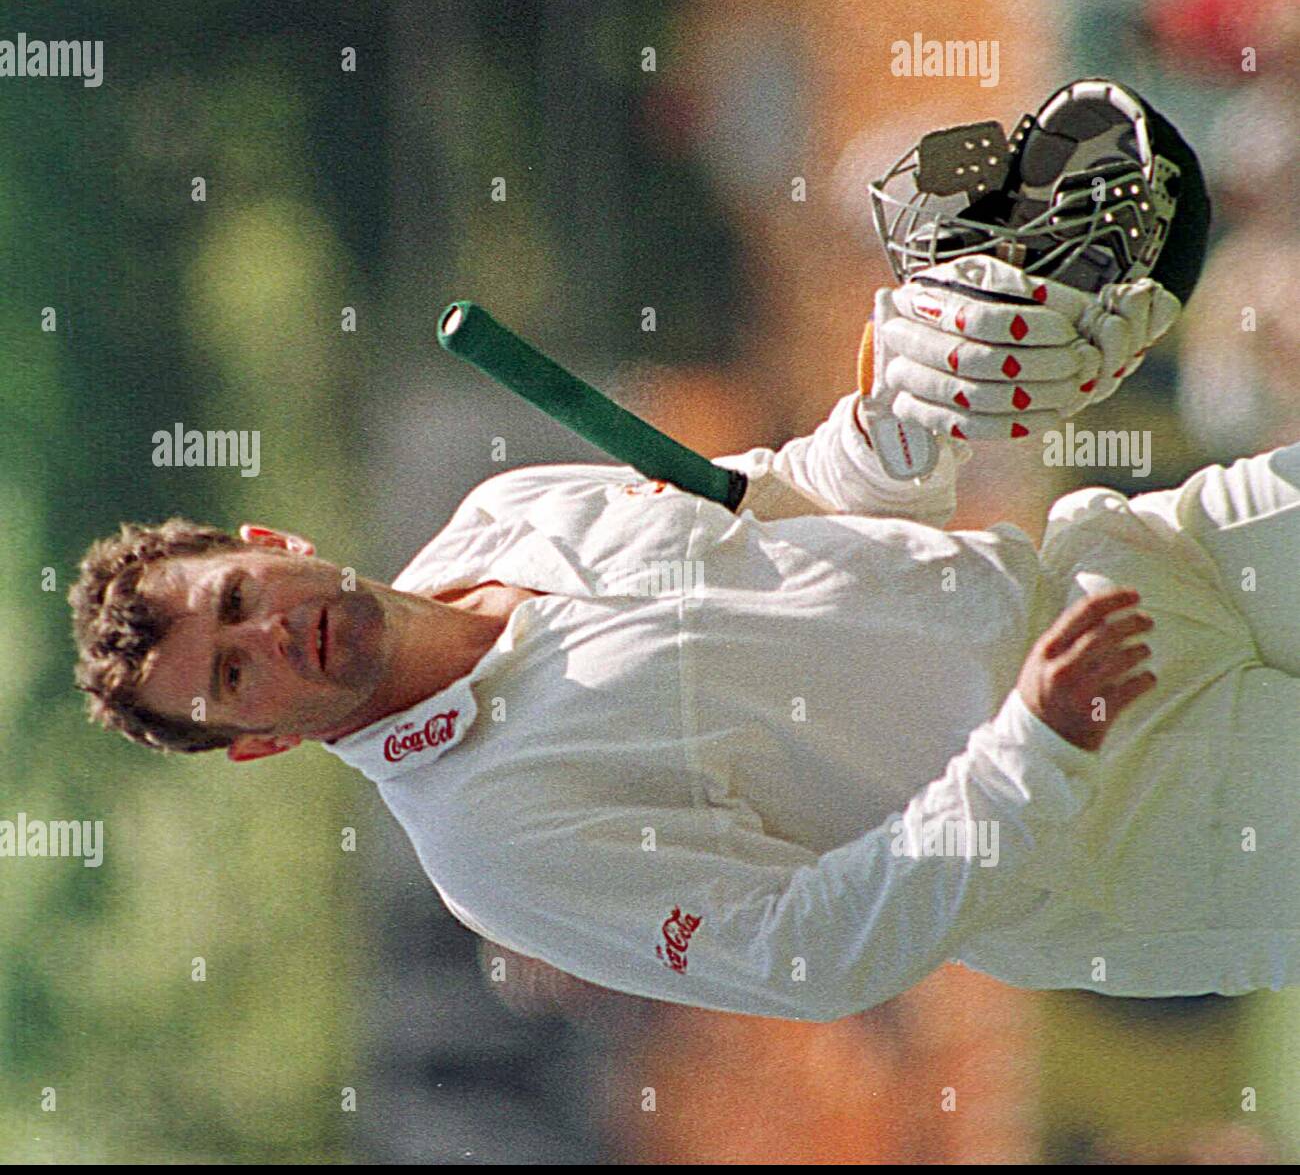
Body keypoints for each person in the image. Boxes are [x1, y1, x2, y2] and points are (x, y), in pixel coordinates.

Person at [68, 249, 1300, 1019]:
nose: (273, 638)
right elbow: (800, 955)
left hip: (1146, 559)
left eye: (240, 599)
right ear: (257, 747)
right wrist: (1031, 752)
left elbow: (790, 507)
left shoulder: (503, 508)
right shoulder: (492, 854)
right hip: (1141, 824)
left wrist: (900, 421)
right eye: (233, 677)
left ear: (273, 545)